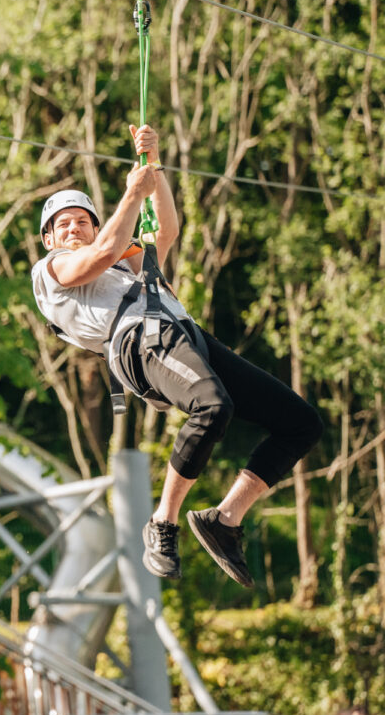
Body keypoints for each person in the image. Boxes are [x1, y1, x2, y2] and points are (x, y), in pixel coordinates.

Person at [30, 123, 323, 586]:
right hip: (137, 342)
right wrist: (131, 192)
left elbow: (165, 229)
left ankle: (224, 521)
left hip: (183, 334)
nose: (73, 229)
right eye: (63, 225)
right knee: (213, 406)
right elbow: (103, 249)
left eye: (81, 220)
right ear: (49, 239)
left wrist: (153, 164)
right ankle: (162, 522)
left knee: (302, 422)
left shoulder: (126, 259)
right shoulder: (52, 270)